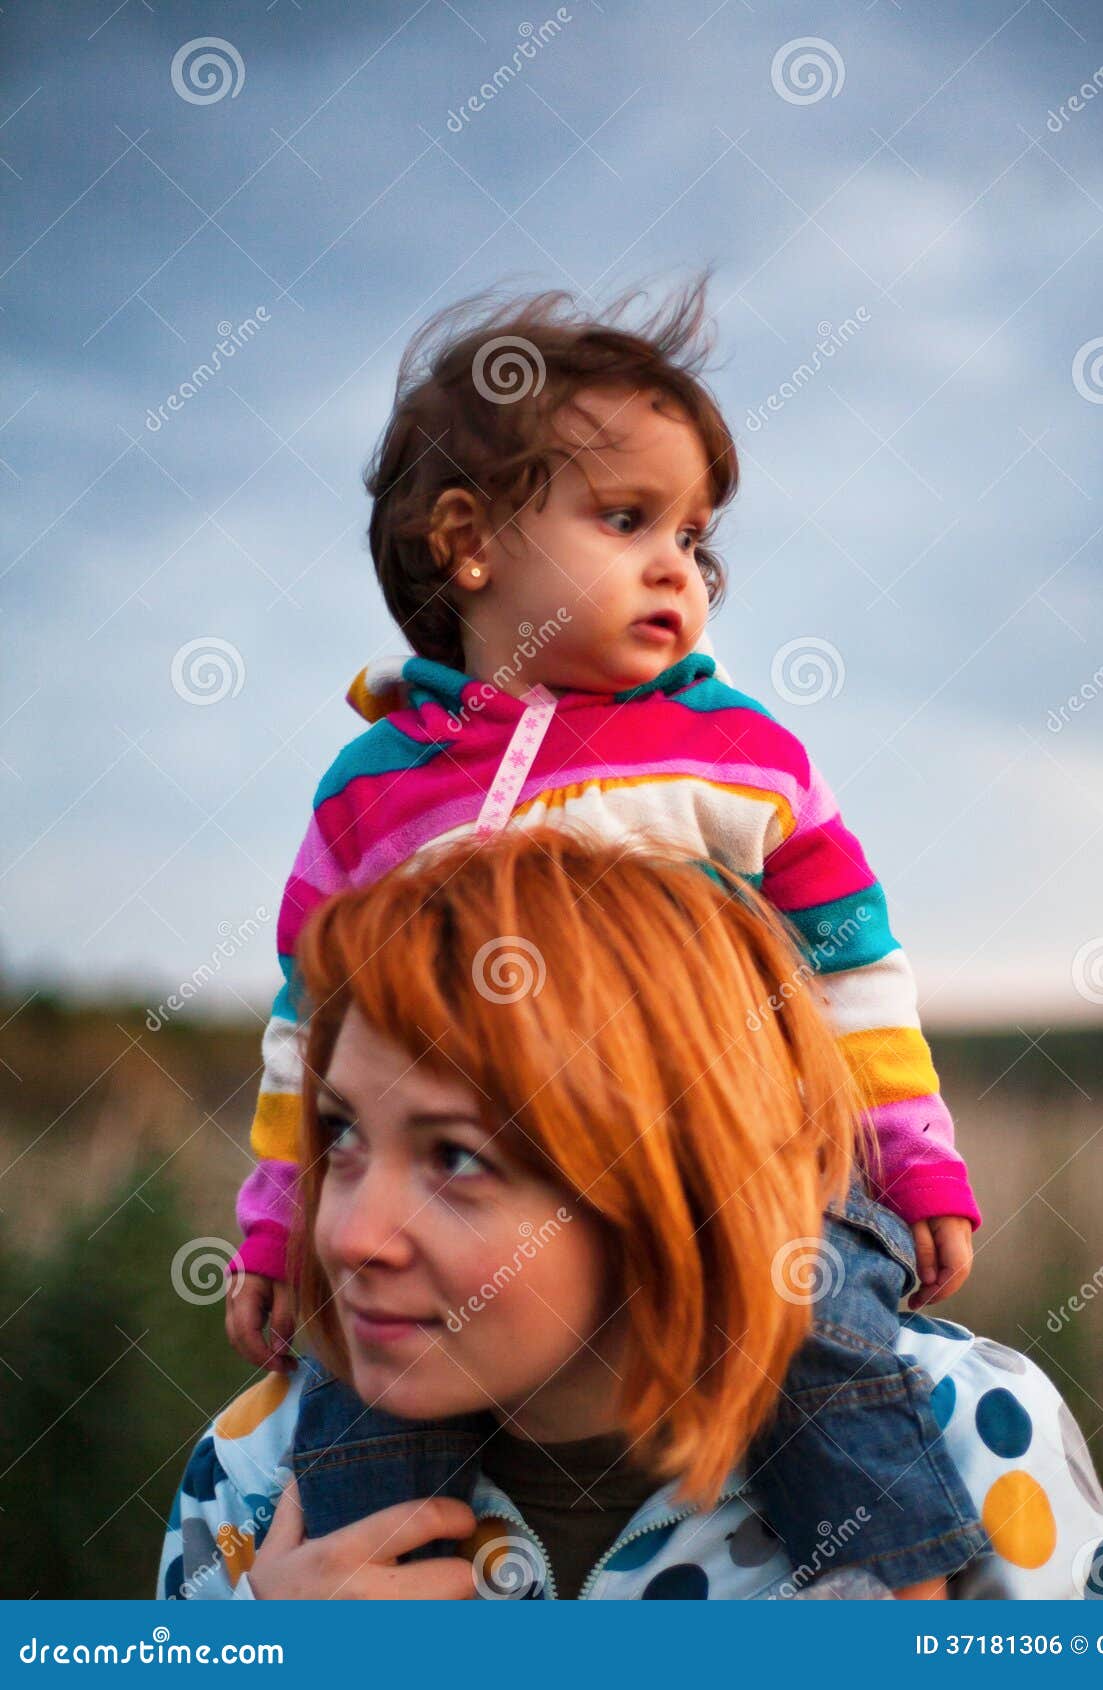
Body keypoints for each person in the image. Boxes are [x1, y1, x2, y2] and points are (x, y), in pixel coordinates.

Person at [224, 274, 987, 1593]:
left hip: (749, 1165)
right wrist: (276, 1222)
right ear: (468, 544)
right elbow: (311, 1027)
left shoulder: (742, 757)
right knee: (359, 1395)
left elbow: (857, 971)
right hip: (472, 1230)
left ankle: (904, 1593)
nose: (674, 569)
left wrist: (912, 1165)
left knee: (818, 1316)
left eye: (694, 538)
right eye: (626, 519)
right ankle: (355, 1605)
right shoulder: (374, 784)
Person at [165, 831, 1103, 1602]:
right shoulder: (260, 1478)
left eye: (457, 1157)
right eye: (339, 1134)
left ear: (679, 1175)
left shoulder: (964, 1440)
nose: (346, 1235)